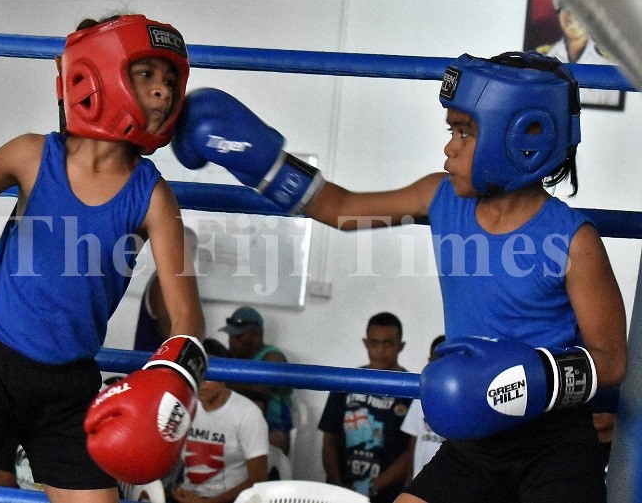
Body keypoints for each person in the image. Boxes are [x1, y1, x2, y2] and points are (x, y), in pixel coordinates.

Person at [171, 50, 627, 503]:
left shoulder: (573, 239)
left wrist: (533, 377)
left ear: (522, 139)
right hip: (476, 441)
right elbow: (340, 208)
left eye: (465, 132)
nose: (449, 145)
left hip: (554, 445)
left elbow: (611, 359)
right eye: (452, 129)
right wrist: (264, 163)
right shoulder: (441, 198)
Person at [0, 13, 205, 503]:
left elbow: (186, 316)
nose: (163, 92)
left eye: (171, 80)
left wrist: (172, 385)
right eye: (146, 73)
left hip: (68, 386)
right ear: (101, 71)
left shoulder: (152, 197)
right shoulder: (30, 156)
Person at [318, 312, 412, 502]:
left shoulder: (410, 389)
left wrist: (371, 488)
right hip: (342, 491)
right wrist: (337, 485)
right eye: (374, 343)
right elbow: (329, 440)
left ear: (400, 346)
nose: (380, 350)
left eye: (388, 343)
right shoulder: (346, 382)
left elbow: (411, 452)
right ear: (366, 343)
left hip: (389, 495)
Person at [172, 338, 269, 503]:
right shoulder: (182, 406)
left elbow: (258, 479)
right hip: (188, 496)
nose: (202, 383)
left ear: (224, 375)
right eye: (198, 374)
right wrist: (171, 490)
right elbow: (167, 455)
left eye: (208, 375)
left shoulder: (248, 413)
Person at [219, 306, 293, 455]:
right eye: (230, 336)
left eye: (238, 337)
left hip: (271, 424)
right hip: (234, 419)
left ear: (256, 335)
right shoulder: (233, 356)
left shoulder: (273, 357)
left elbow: (259, 390)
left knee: (272, 447)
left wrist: (222, 382)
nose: (231, 341)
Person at [535, 0, 621, 107]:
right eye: (566, 7)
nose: (573, 15)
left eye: (581, 10)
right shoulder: (542, 60)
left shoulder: (611, 65)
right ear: (558, 12)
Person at [133, 226, 198, 352]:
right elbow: (168, 328)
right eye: (185, 248)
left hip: (157, 360)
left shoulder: (174, 278)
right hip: (154, 361)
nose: (189, 254)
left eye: (193, 248)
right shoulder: (163, 280)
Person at [400, 335, 445, 481]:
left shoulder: (463, 401)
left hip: (448, 481)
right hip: (420, 480)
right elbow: (413, 441)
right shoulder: (421, 397)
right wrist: (408, 480)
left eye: (444, 361)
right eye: (435, 361)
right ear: (429, 362)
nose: (439, 367)